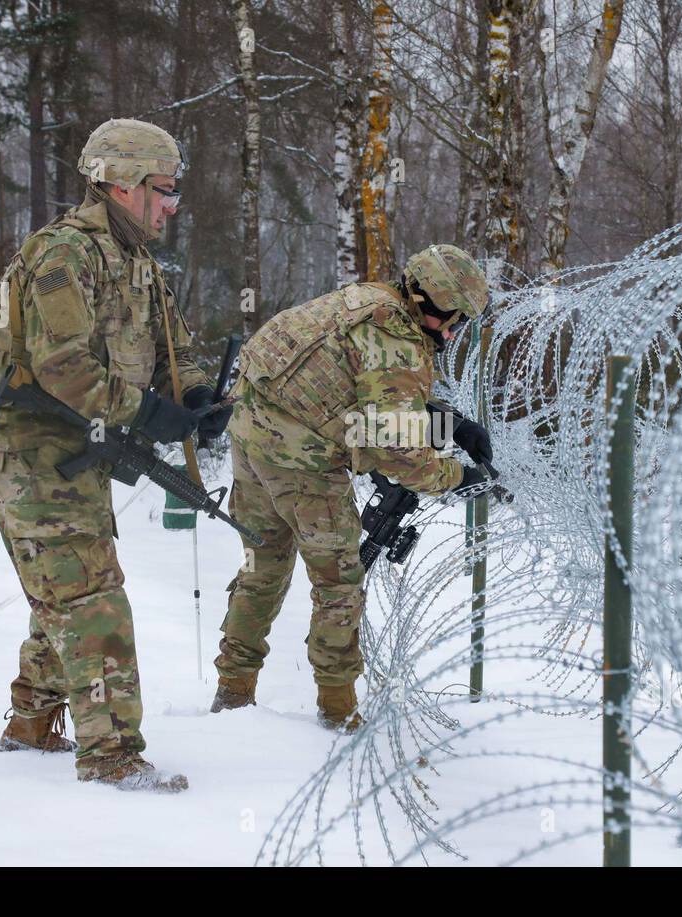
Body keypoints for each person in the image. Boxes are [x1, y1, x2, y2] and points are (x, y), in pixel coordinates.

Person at [0, 118, 232, 791]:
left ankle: (30, 728)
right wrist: (146, 412)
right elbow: (61, 365)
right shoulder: (64, 256)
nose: (173, 206)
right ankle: (112, 758)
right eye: (165, 191)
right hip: (27, 447)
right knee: (90, 597)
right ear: (123, 185)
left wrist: (195, 395)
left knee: (66, 589)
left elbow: (173, 344)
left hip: (79, 444)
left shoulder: (137, 260)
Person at [211, 244, 494, 730]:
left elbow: (347, 386)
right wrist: (458, 477)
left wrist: (450, 422)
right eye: (453, 318)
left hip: (251, 439)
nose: (453, 331)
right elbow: (398, 452)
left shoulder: (365, 300)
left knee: (262, 568)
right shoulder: (396, 338)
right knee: (339, 584)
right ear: (427, 302)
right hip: (303, 463)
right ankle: (338, 712)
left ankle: (232, 694)